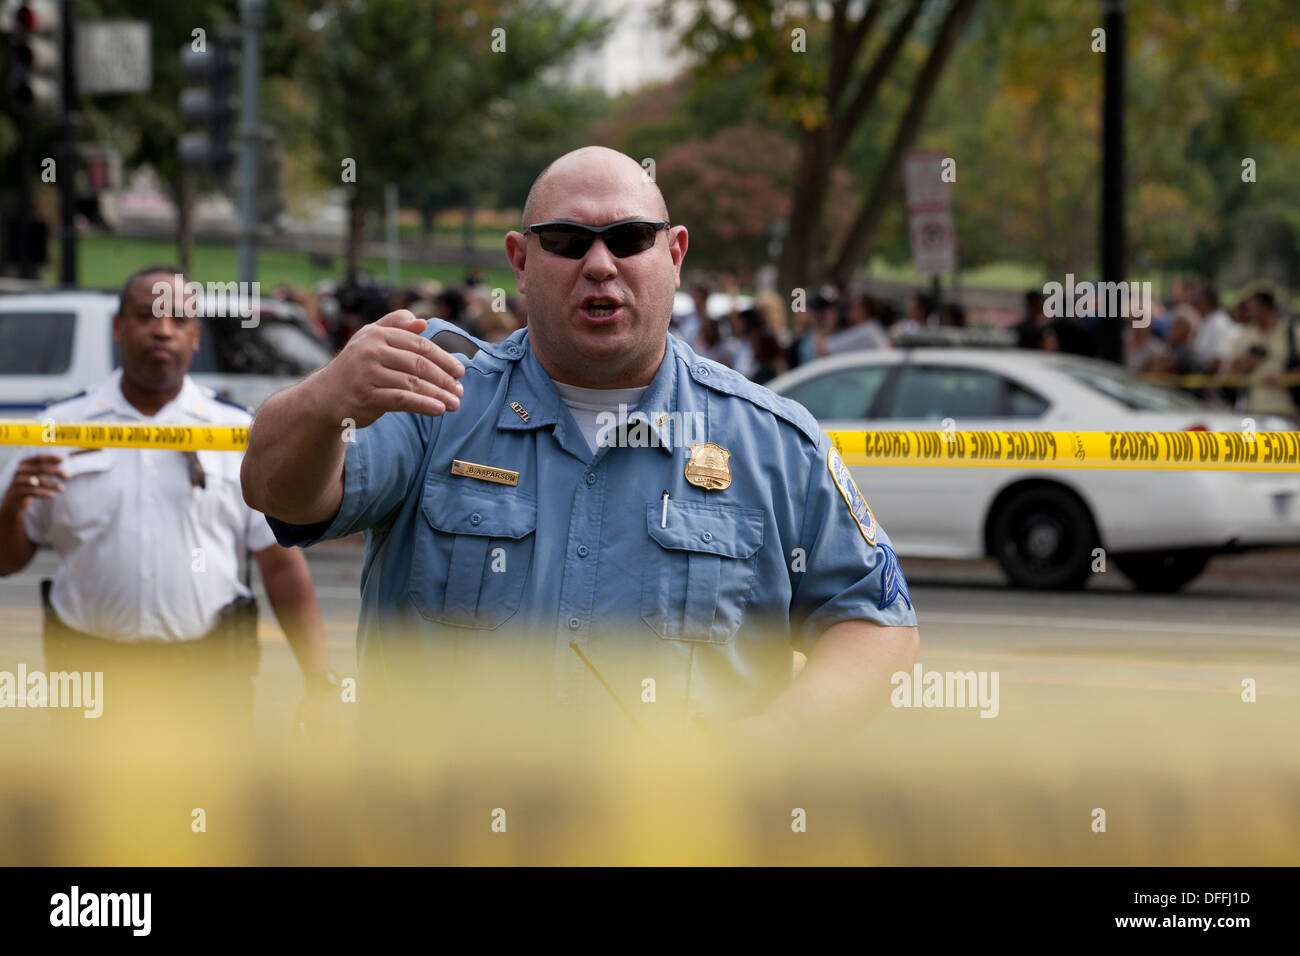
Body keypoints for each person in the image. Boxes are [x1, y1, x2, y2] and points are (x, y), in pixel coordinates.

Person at [241, 147, 919, 745]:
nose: (600, 264)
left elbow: (874, 623)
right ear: (521, 260)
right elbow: (279, 492)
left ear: (674, 254)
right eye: (567, 240)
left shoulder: (772, 441)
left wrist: (771, 744)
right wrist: (325, 399)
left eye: (628, 238)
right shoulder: (433, 401)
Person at [0, 266, 336, 733]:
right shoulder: (56, 429)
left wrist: (319, 682)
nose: (162, 329)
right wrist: (12, 505)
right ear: (118, 328)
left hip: (208, 684)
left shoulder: (238, 434)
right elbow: (7, 560)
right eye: (146, 315)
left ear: (195, 336)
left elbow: (279, 566)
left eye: (178, 318)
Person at [1229, 291, 1298, 418]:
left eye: (1252, 308)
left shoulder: (1292, 333)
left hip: (1288, 408)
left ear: (1266, 308)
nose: (1248, 313)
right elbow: (1232, 373)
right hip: (1254, 408)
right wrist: (1248, 363)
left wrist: (1285, 377)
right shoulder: (1246, 335)